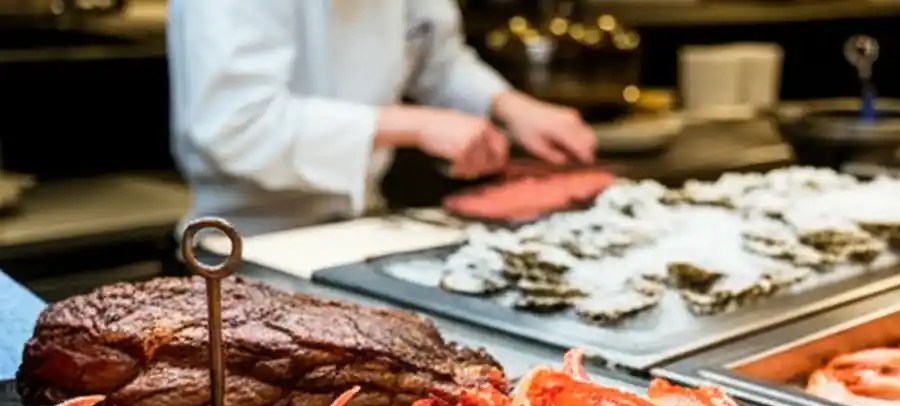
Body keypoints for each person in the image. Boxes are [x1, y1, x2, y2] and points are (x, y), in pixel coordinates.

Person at [167, 1, 596, 238]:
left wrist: (509, 105)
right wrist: (415, 125)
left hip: (361, 226)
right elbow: (237, 125)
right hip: (244, 240)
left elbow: (439, 60)